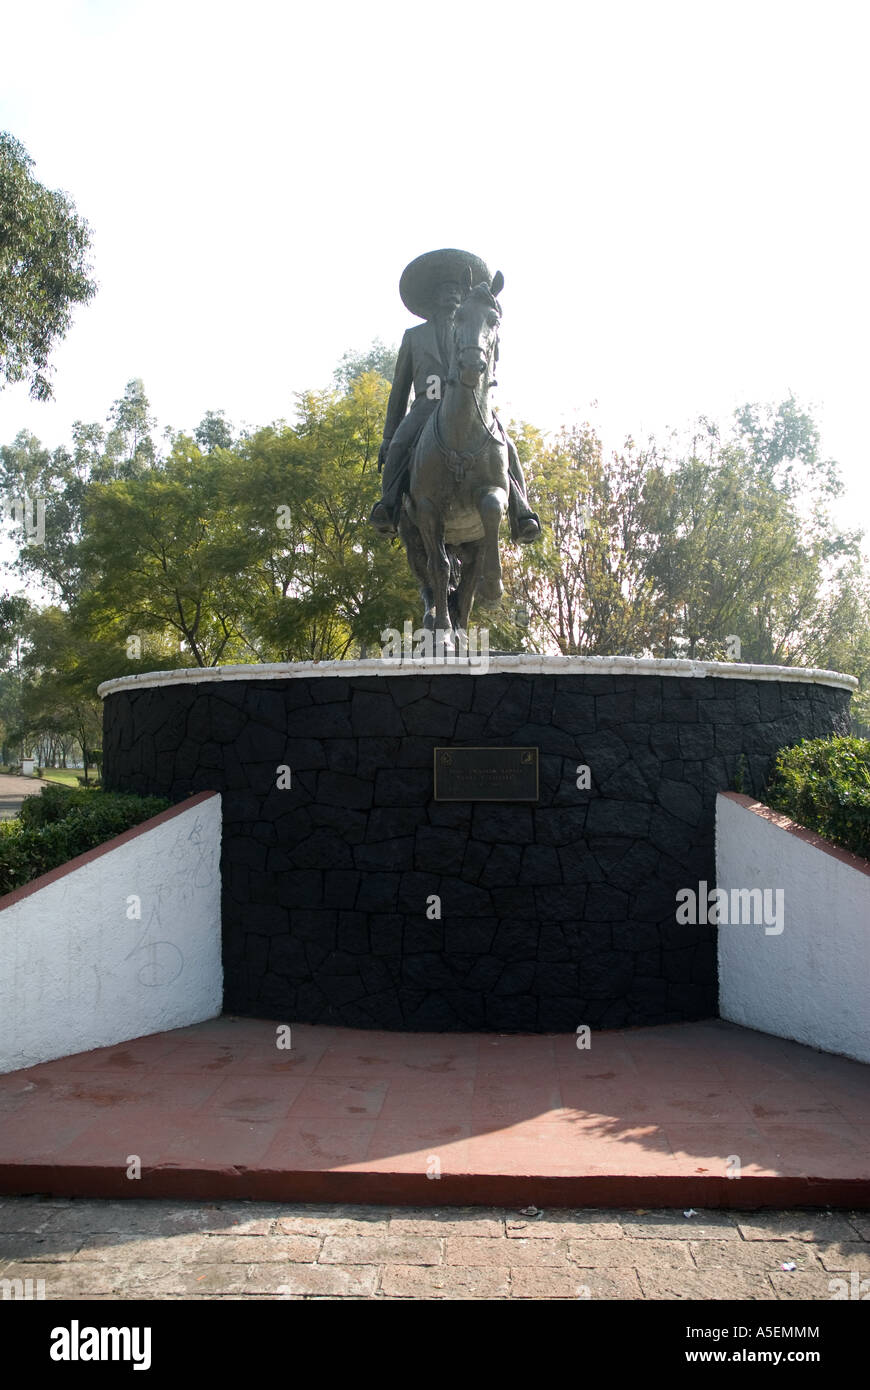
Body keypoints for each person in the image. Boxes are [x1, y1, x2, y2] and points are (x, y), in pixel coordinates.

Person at [369, 248, 540, 542]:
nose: (451, 295)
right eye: (444, 290)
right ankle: (389, 506)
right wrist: (387, 435)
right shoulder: (414, 336)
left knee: (507, 446)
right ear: (434, 298)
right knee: (399, 446)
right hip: (425, 405)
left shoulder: (472, 328)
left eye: (456, 290)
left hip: (469, 406)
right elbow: (399, 391)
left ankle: (522, 511)